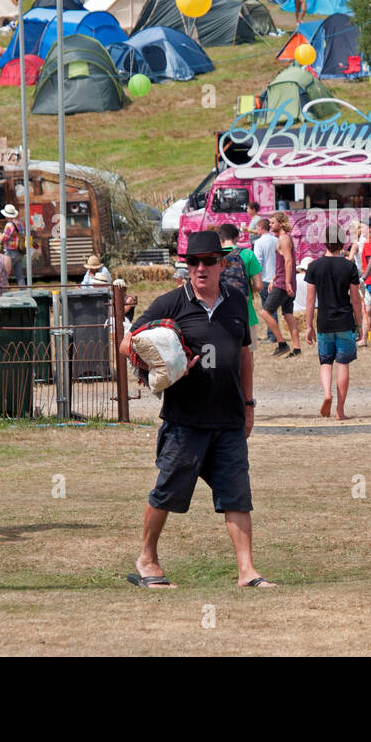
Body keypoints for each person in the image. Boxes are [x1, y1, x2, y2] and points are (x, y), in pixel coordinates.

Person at [120, 229, 274, 589]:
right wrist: (167, 365)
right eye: (193, 262)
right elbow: (128, 344)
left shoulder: (237, 301)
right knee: (168, 491)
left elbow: (245, 355)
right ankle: (147, 559)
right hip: (185, 419)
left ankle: (247, 571)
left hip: (229, 418)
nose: (200, 268)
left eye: (207, 261)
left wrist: (249, 405)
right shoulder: (171, 303)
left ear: (223, 263)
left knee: (237, 494)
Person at [304, 231, 364, 419]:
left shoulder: (314, 266)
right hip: (345, 321)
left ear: (324, 243)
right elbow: (355, 299)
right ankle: (340, 410)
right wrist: (360, 324)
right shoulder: (349, 266)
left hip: (324, 321)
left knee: (326, 362)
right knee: (343, 364)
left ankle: (327, 394)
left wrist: (308, 326)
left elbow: (310, 299)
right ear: (342, 243)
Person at [263, 212, 301, 357]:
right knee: (288, 314)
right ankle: (297, 349)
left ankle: (281, 343)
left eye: (272, 223)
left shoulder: (284, 238)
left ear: (280, 223)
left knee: (265, 312)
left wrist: (286, 283)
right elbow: (281, 265)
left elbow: (288, 261)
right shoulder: (282, 238)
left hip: (284, 283)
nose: (270, 225)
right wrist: (273, 279)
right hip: (283, 280)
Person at [217, 223, 264, 333]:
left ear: (220, 239)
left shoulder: (215, 256)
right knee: (248, 349)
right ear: (237, 237)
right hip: (246, 311)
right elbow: (259, 285)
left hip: (222, 313)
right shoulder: (248, 254)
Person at [251, 217, 282, 343]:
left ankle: (273, 335)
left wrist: (254, 277)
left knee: (267, 308)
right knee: (272, 307)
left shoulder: (259, 243)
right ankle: (274, 334)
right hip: (275, 277)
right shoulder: (276, 240)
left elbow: (258, 261)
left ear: (261, 228)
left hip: (264, 277)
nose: (256, 230)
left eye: (257, 227)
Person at [0, 204, 26, 286]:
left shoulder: (9, 225)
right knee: (19, 274)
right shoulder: (20, 223)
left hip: (11, 251)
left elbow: (3, 240)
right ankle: (23, 291)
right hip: (20, 250)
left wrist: (0, 235)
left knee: (4, 272)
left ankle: (3, 291)